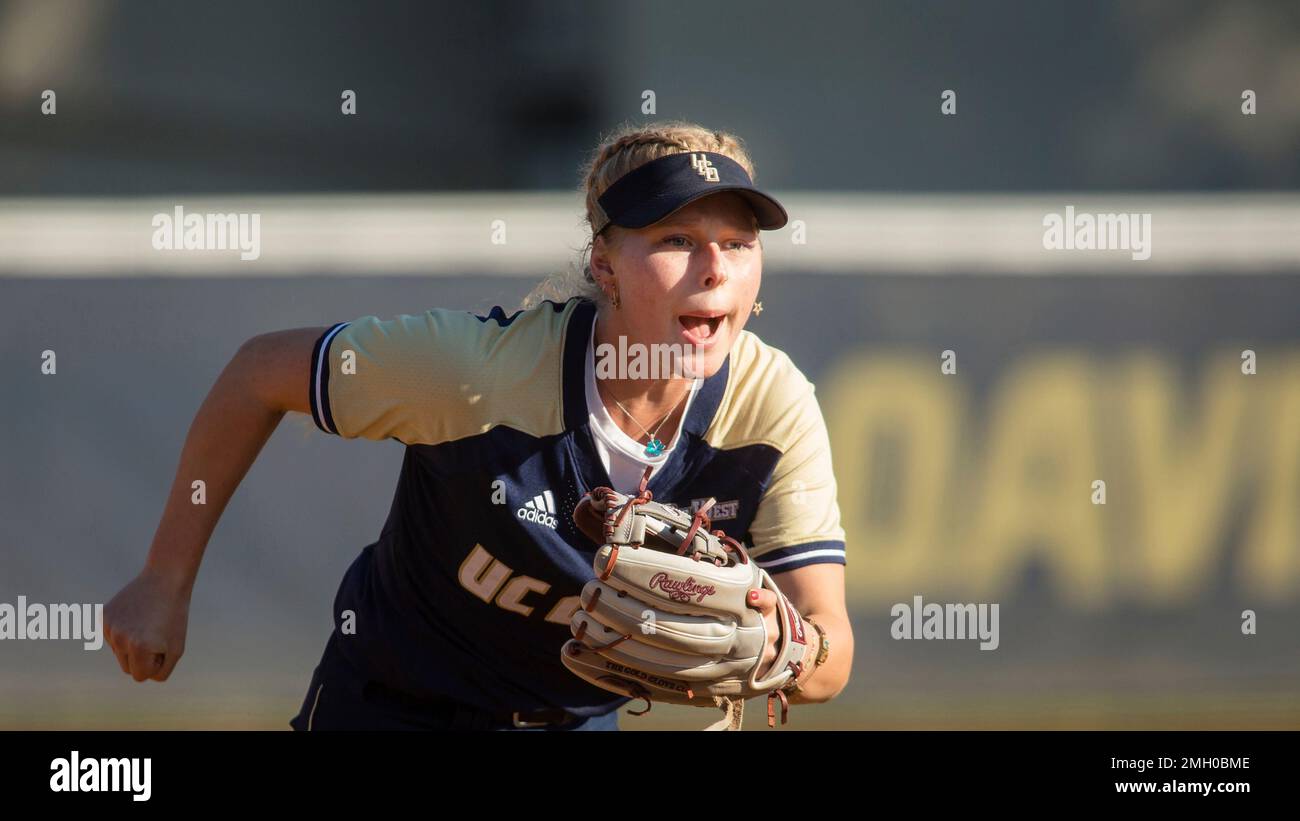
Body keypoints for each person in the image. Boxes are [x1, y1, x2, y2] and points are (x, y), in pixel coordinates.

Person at [103, 120, 854, 730]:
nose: (715, 267)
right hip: (391, 707)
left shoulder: (770, 407)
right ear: (605, 265)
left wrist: (787, 652)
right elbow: (256, 375)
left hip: (571, 721)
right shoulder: (477, 374)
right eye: (677, 240)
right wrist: (164, 579)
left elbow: (833, 647)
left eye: (738, 242)